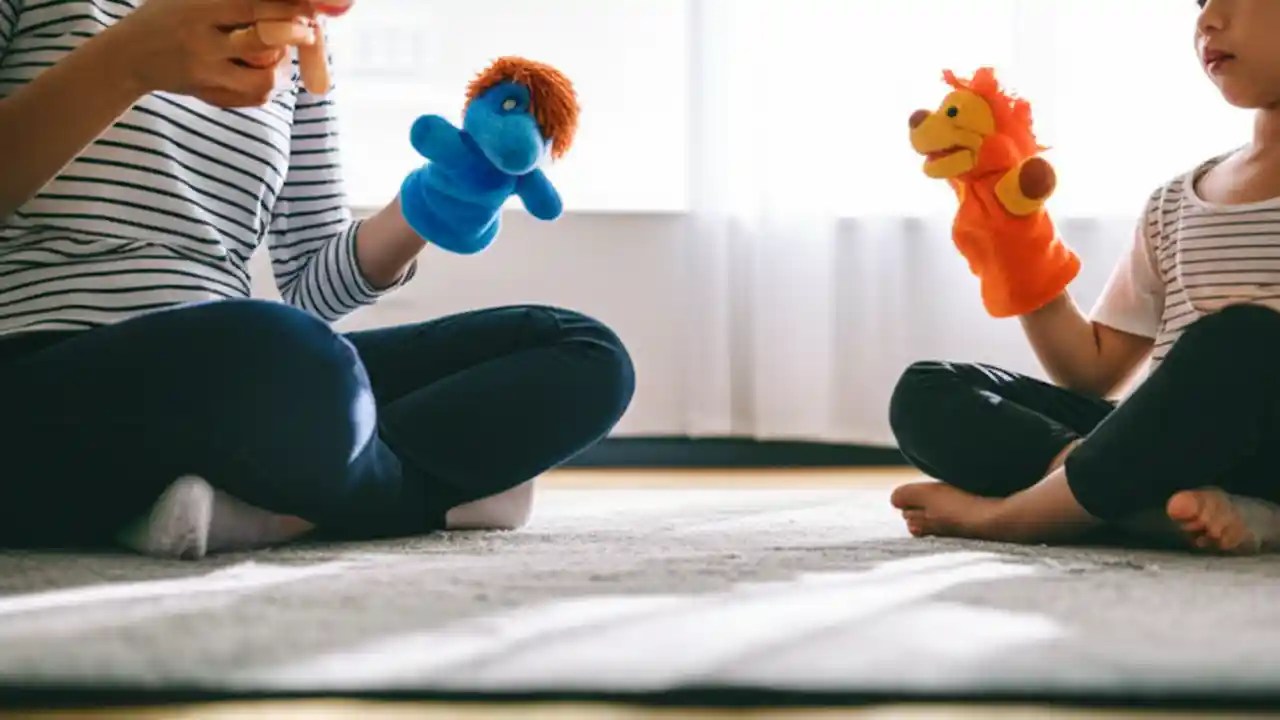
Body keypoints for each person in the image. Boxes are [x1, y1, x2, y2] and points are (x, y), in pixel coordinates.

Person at [0, 0, 635, 560]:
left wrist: (427, 206)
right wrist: (131, 60)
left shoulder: (289, 33)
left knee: (584, 354)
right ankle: (419, 495)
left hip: (234, 372)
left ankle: (270, 503)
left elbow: (310, 279)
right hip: (38, 366)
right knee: (292, 358)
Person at [887, 0, 1280, 555]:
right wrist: (1016, 238)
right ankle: (1129, 504)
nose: (1207, 19)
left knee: (1242, 339)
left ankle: (1017, 518)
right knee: (926, 391)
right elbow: (1088, 372)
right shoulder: (1175, 202)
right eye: (1200, 1)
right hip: (1162, 448)